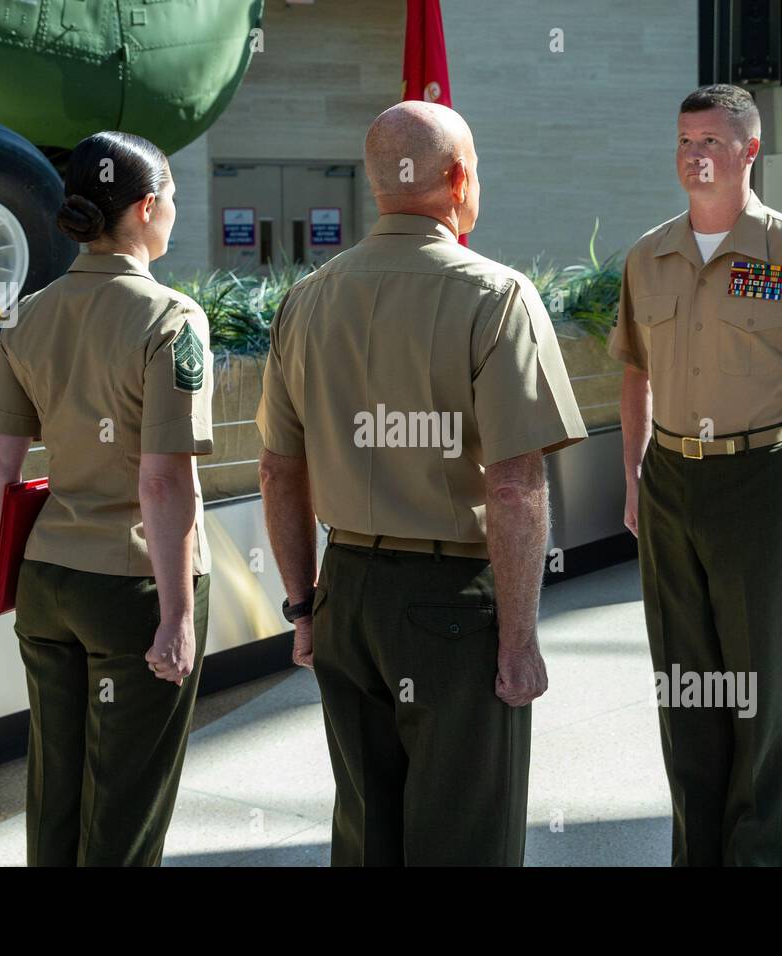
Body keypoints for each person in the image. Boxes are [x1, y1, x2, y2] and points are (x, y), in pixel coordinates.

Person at [256, 100, 587, 866]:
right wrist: (520, 639)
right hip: (453, 605)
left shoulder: (305, 301)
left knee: (368, 822)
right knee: (465, 831)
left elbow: (278, 469)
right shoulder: (497, 297)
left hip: (348, 592)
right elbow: (512, 488)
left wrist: (305, 607)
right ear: (460, 177)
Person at [609, 84, 782, 866]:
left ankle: (755, 854)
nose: (695, 155)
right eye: (686, 140)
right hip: (667, 483)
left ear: (750, 150)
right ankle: (695, 851)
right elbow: (632, 375)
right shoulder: (647, 255)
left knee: (756, 682)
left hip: (756, 479)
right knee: (683, 681)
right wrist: (631, 478)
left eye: (713, 141)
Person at [0, 131, 215, 867]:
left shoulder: (27, 315)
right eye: (172, 197)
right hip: (134, 586)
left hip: (48, 579)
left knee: (55, 788)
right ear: (146, 208)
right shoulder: (172, 318)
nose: (175, 209)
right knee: (126, 804)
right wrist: (176, 615)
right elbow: (162, 479)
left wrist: (10, 570)